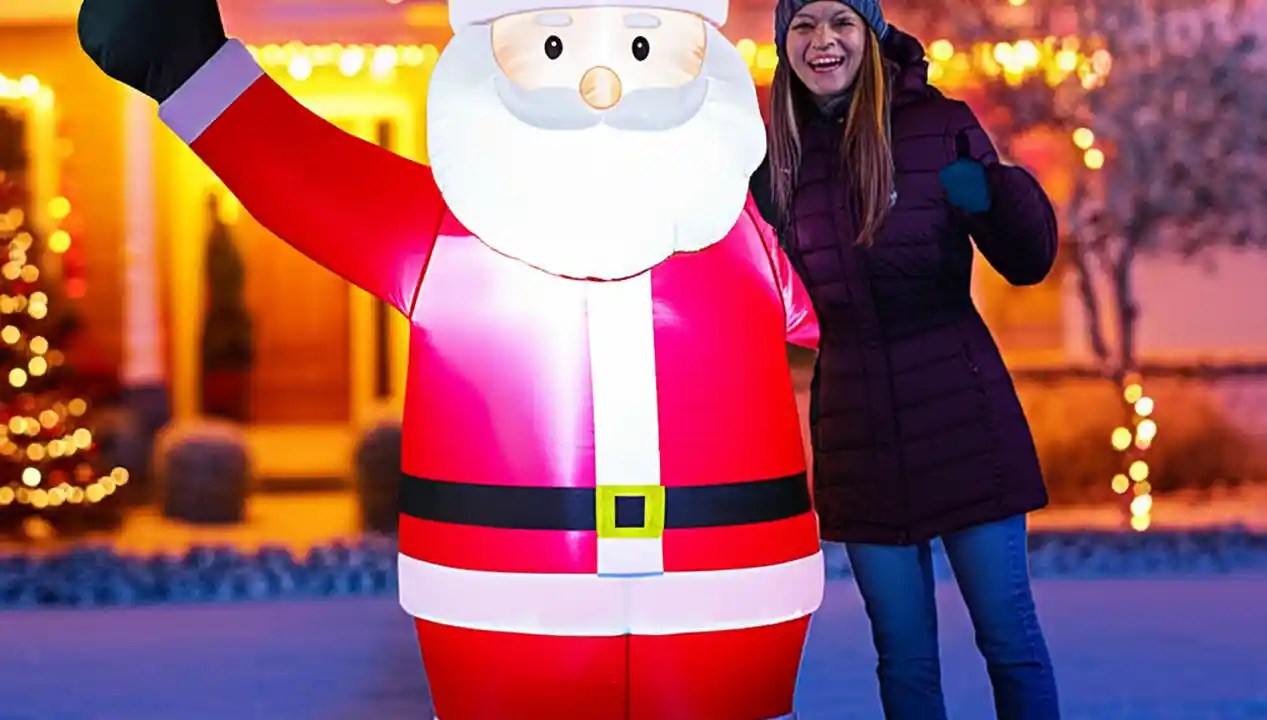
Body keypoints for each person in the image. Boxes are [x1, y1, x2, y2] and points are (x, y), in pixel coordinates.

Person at [80, 0, 824, 718]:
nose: (602, 86)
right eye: (554, 48)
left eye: (640, 49)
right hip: (505, 596)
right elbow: (302, 172)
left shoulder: (761, 232)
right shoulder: (440, 235)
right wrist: (191, 68)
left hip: (732, 587)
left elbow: (858, 298)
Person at [757, 1, 1062, 718]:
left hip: (964, 419)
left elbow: (1027, 262)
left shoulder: (937, 125)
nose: (823, 41)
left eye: (840, 21)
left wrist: (995, 195)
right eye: (803, 25)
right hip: (859, 436)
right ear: (783, 44)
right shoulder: (775, 162)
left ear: (871, 33)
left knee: (1008, 639)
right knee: (904, 657)